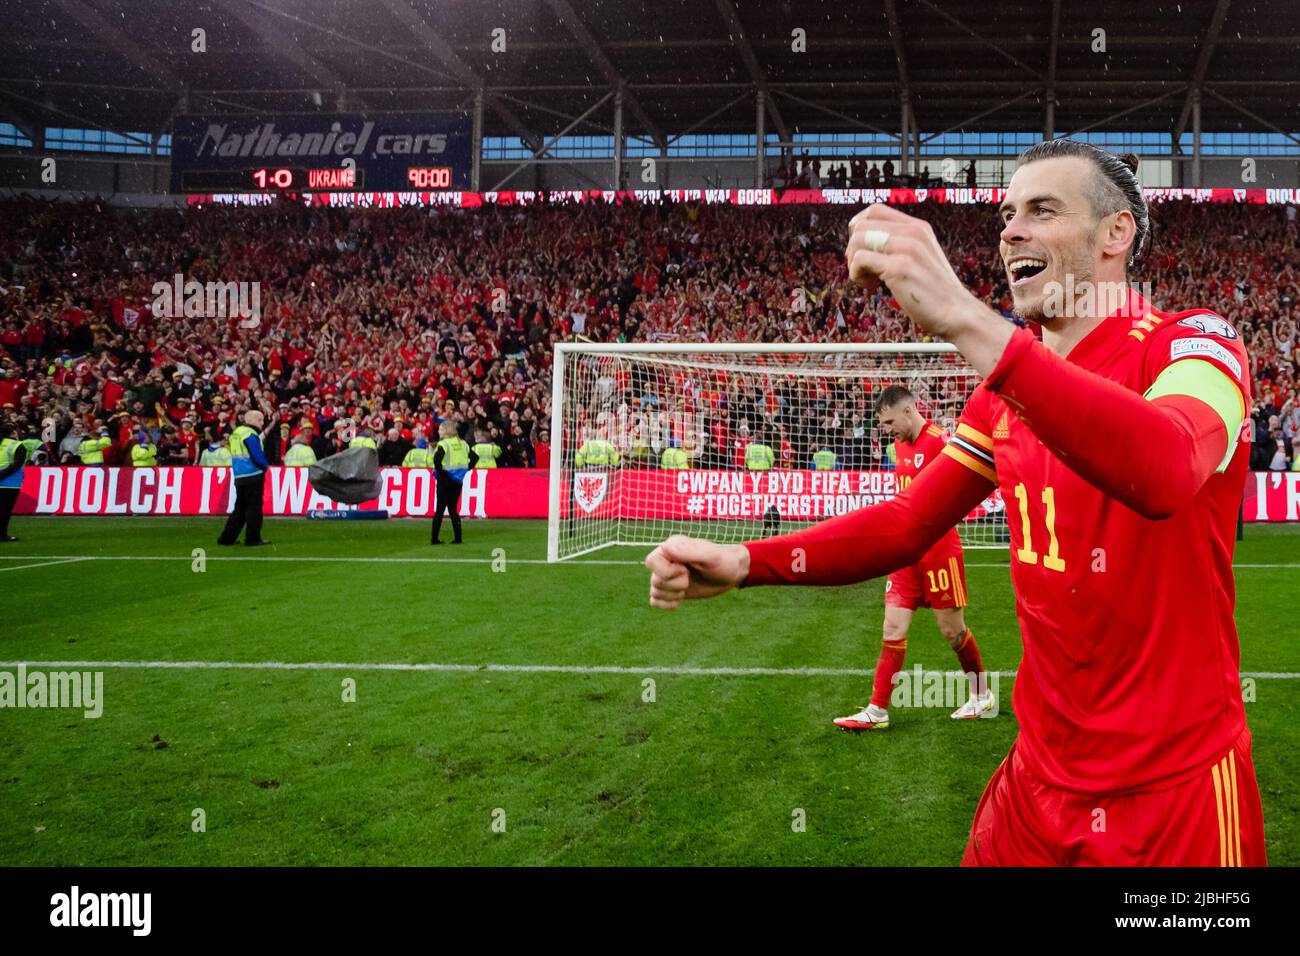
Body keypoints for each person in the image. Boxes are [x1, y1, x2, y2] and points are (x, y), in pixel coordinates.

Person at [645, 140, 1264, 866]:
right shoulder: (1004, 394)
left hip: (1174, 796)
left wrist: (967, 321)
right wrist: (749, 560)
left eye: (1042, 209)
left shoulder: (1193, 343)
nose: (1010, 231)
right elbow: (909, 522)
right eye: (1006, 214)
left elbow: (1164, 466)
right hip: (1035, 783)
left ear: (1115, 233)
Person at [833, 386, 992, 731]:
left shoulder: (939, 442)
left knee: (952, 631)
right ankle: (877, 710)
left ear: (909, 411)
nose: (887, 429)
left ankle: (982, 695)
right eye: (883, 424)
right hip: (906, 551)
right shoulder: (899, 445)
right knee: (892, 627)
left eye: (890, 421)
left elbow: (959, 490)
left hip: (938, 549)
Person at [218, 410, 271, 547]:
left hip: (239, 475)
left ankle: (227, 538)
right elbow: (256, 455)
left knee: (240, 509)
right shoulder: (250, 434)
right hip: (253, 474)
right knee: (254, 509)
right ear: (252, 420)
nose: (262, 422)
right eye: (259, 420)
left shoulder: (236, 433)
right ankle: (252, 538)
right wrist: (265, 468)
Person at [431, 420, 478, 544]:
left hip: (445, 479)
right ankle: (458, 538)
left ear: (446, 430)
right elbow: (475, 457)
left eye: (440, 429)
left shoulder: (444, 444)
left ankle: (434, 538)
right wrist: (468, 468)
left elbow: (437, 459)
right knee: (453, 509)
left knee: (440, 509)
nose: (438, 431)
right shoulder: (463, 443)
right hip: (457, 480)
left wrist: (440, 473)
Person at [0, 421, 28, 542]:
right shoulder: (17, 445)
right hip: (10, 482)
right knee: (5, 510)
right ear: (13, 432)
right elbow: (17, 464)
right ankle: (2, 534)